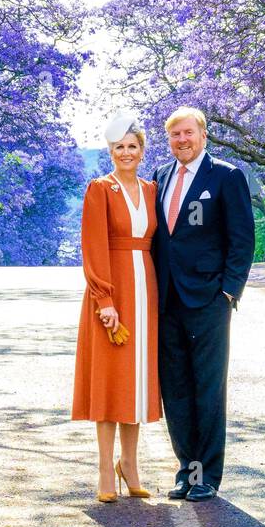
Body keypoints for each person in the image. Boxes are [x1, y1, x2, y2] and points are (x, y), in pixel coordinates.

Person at [151, 106, 254, 501]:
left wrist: (229, 292)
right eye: (175, 135)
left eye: (188, 133)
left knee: (207, 388)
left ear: (203, 135)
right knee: (175, 389)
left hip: (209, 301)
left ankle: (207, 475)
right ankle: (187, 472)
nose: (182, 140)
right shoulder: (160, 177)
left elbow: (242, 239)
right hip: (166, 300)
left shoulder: (226, 176)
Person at [71, 113, 161, 502]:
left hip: (147, 293)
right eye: (119, 147)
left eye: (133, 146)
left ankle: (131, 464)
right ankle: (106, 468)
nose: (126, 153)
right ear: (110, 151)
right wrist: (104, 300)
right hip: (113, 294)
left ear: (142, 150)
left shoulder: (152, 189)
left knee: (137, 382)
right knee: (110, 381)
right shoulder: (99, 189)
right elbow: (93, 246)